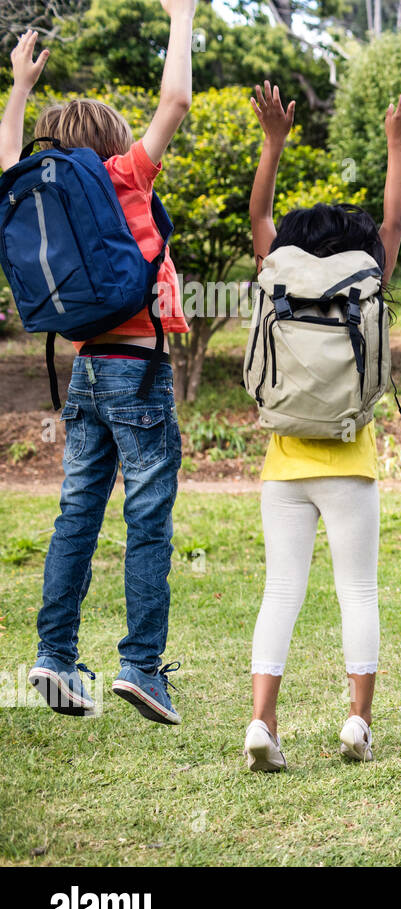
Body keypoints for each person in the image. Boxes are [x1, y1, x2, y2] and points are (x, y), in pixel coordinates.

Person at [2, 3, 196, 724]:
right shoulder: (123, 177)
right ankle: (141, 666)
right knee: (147, 518)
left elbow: (5, 160)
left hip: (82, 374)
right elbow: (174, 100)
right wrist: (182, 17)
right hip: (139, 369)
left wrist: (20, 88)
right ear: (112, 142)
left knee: (76, 513)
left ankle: (54, 656)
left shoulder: (36, 189)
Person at [242, 82, 401, 771]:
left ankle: (262, 723)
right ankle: (358, 721)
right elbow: (395, 223)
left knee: (280, 593)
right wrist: (395, 146)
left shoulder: (276, 274)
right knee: (359, 593)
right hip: (350, 460)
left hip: (284, 466)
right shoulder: (367, 276)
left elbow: (259, 212)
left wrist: (274, 142)